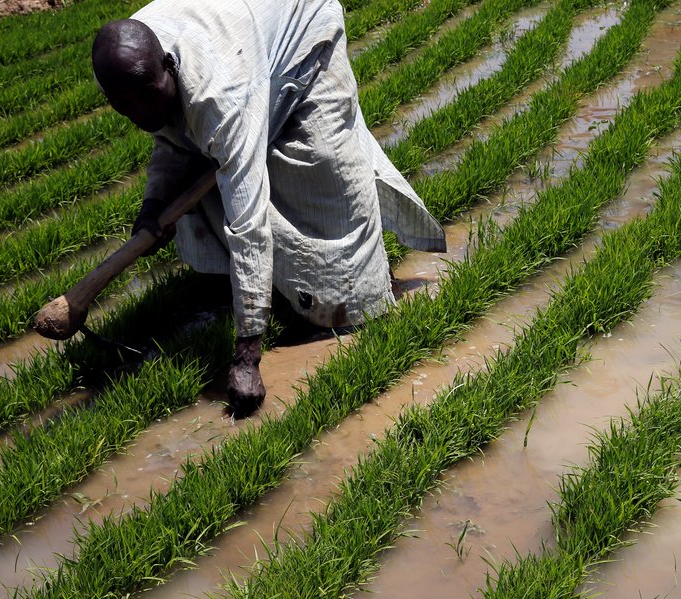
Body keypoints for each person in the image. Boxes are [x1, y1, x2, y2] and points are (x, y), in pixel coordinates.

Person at [90, 0, 446, 417]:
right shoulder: (131, 71)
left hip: (303, 28)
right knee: (202, 169)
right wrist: (153, 206)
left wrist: (246, 356)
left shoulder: (216, 96)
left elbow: (248, 223)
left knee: (322, 168)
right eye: (124, 105)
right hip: (243, 39)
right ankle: (262, 293)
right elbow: (172, 140)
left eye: (147, 96)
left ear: (169, 65)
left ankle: (362, 292)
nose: (139, 112)